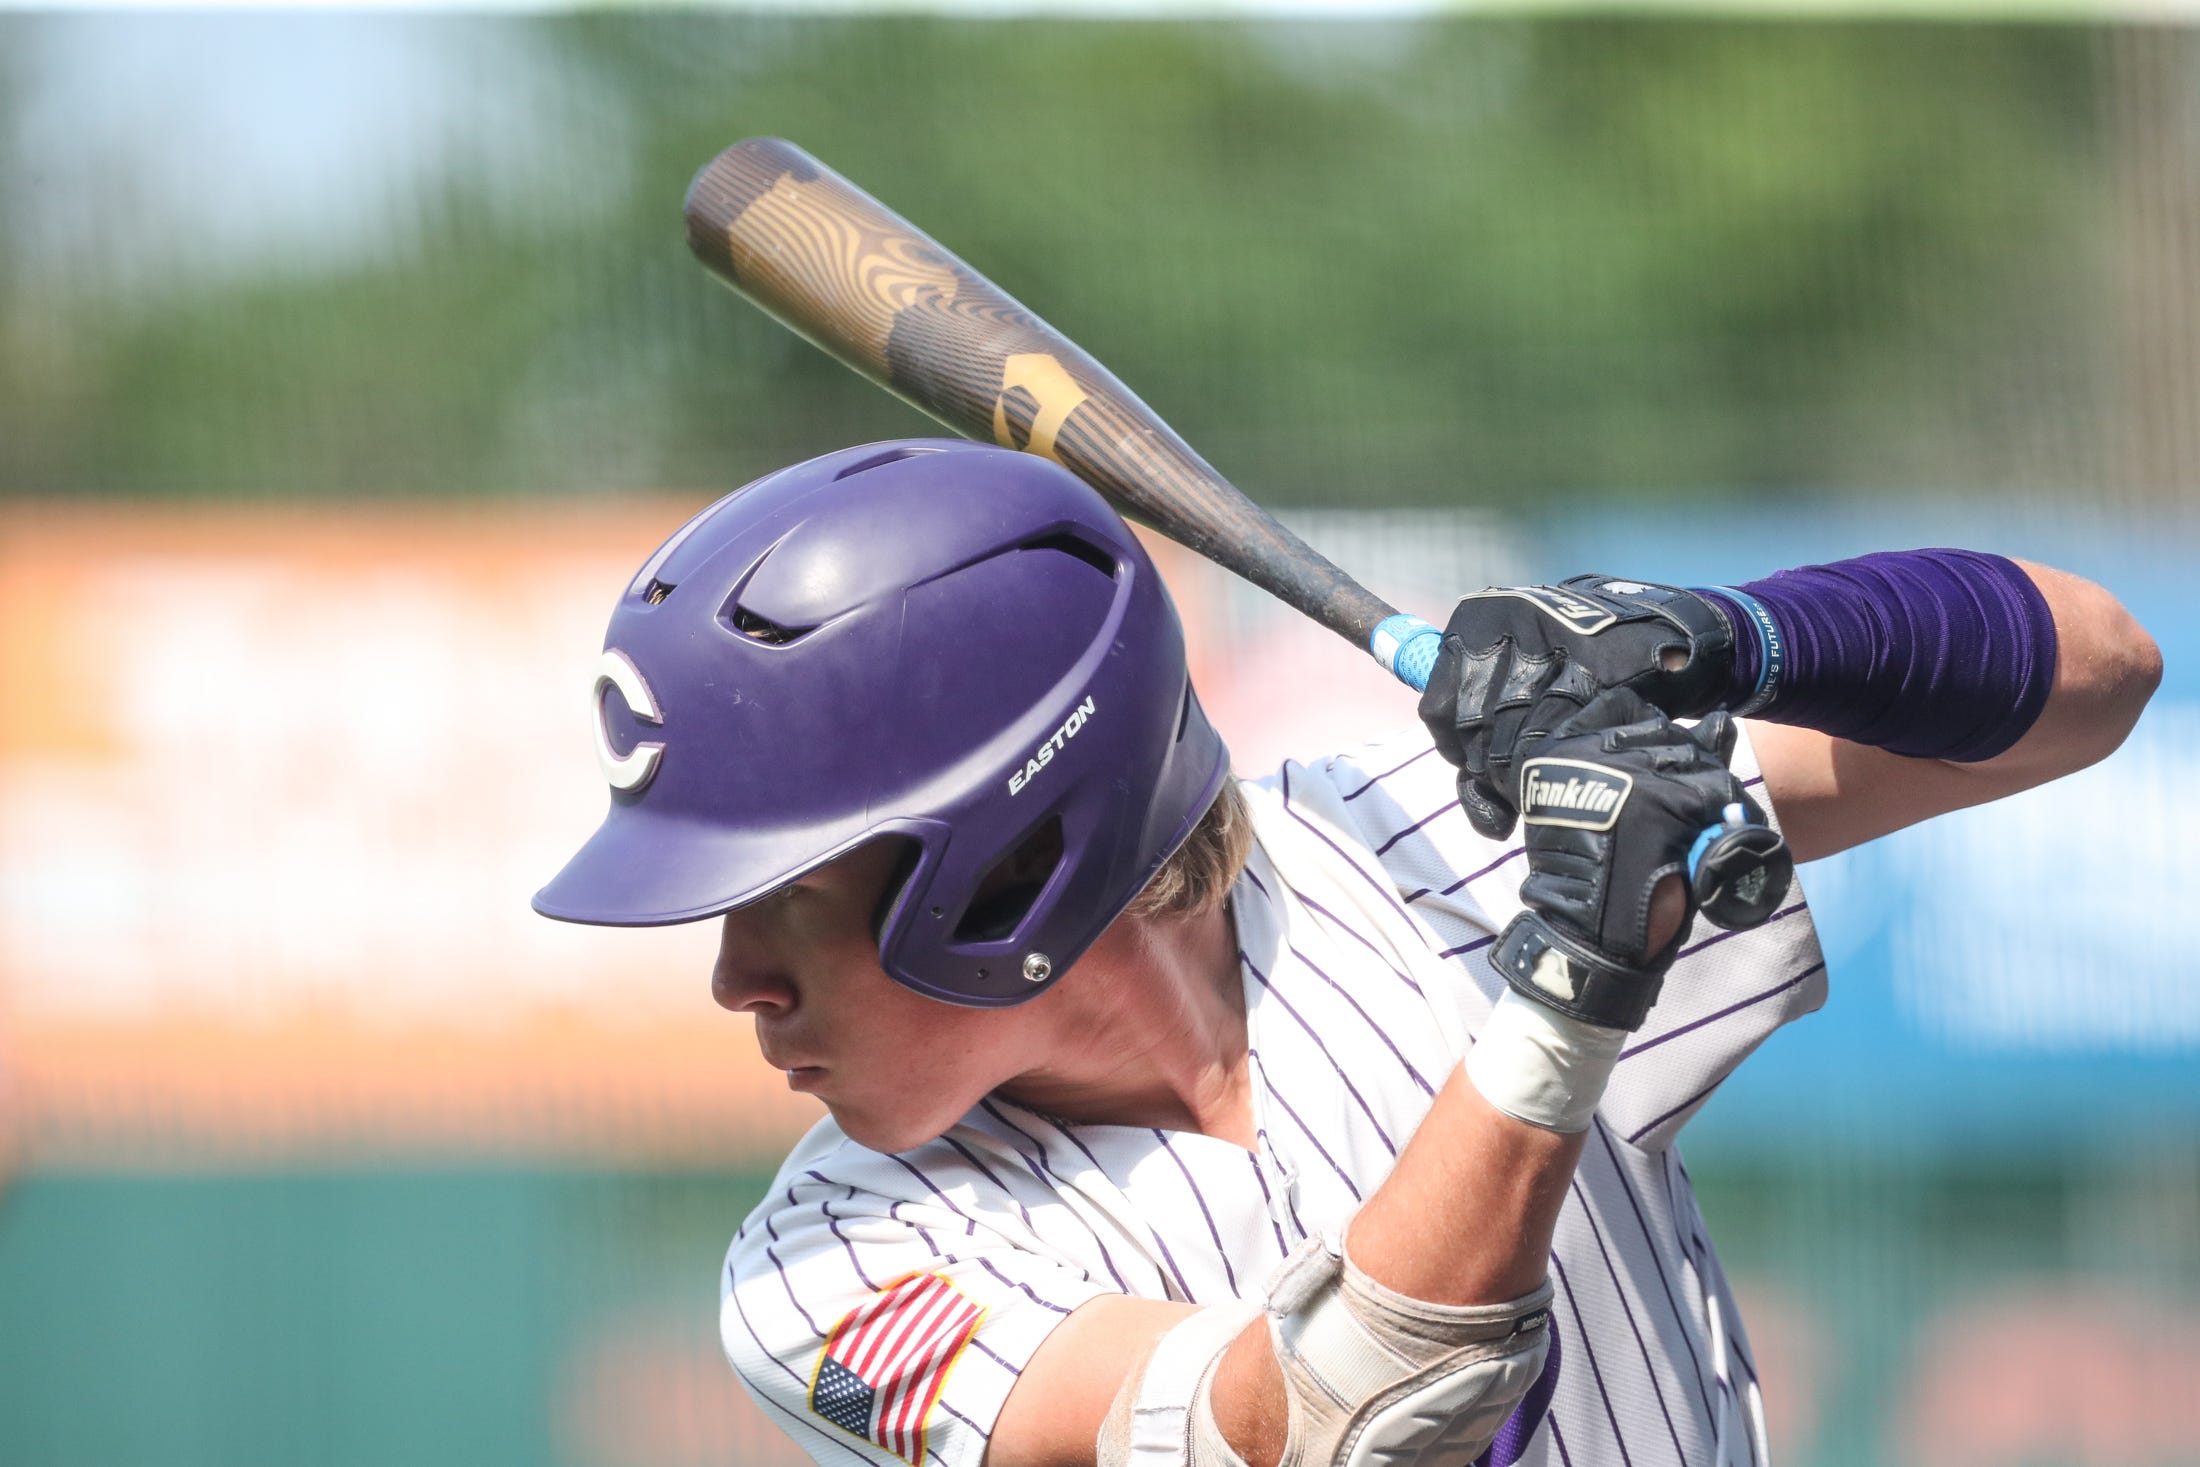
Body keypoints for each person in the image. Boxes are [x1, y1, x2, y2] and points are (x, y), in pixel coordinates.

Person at [534, 439, 2159, 1467]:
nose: (735, 975)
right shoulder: (830, 1265)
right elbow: (1334, 1430)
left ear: (1009, 848)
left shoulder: (1420, 842)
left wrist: (1706, 638)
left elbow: (2098, 669)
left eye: (791, 887)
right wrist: (1568, 988)